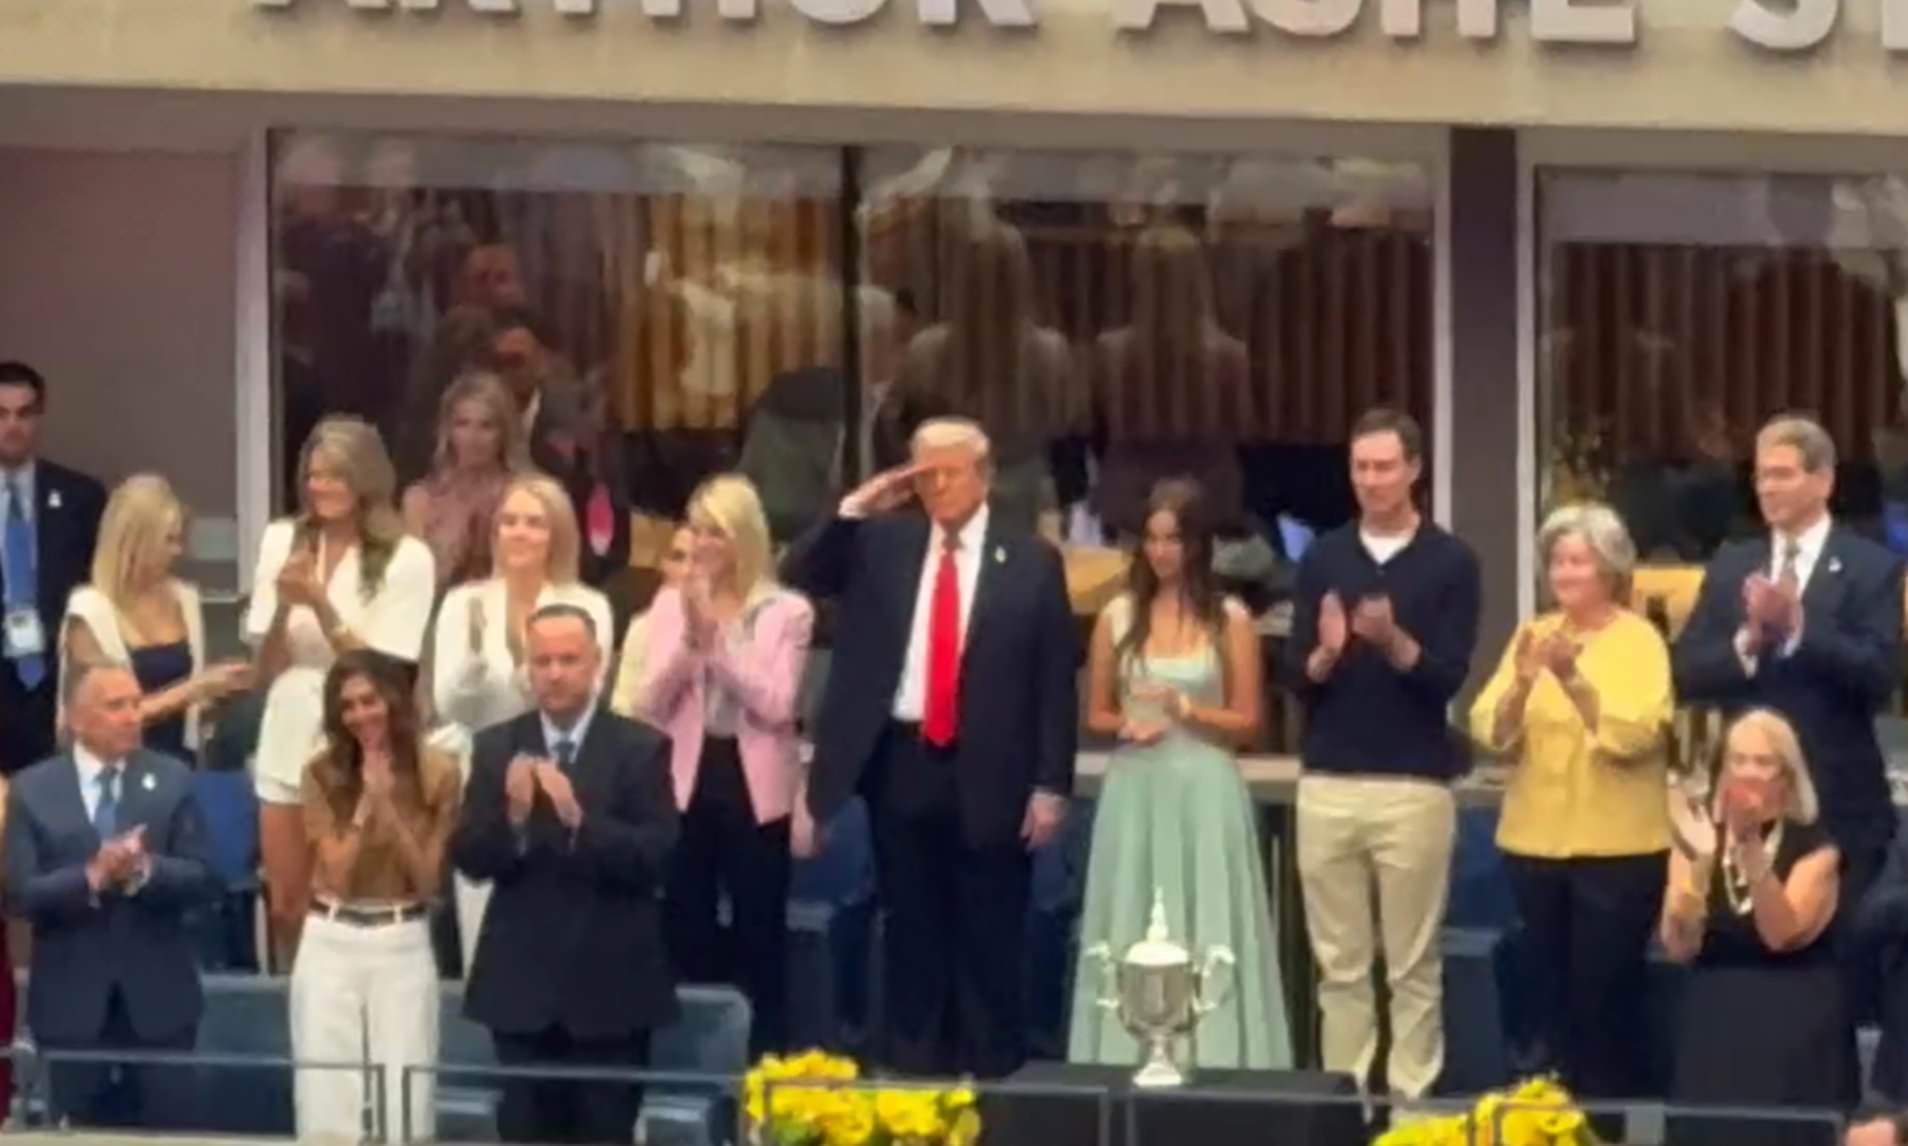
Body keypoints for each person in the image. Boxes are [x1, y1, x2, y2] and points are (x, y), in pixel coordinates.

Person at [782, 417, 1078, 1078]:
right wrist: (857, 508)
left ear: (986, 476)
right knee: (910, 926)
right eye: (926, 474)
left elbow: (1054, 682)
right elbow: (801, 570)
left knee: (989, 928)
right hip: (901, 757)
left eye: (950, 472)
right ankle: (915, 1077)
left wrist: (1050, 783)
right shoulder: (881, 544)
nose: (938, 486)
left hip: (992, 766)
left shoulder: (1030, 561)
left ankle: (992, 1075)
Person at [1282, 407, 1481, 1100]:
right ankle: (1346, 1102)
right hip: (1328, 781)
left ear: (1415, 471)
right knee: (1339, 967)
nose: (1371, 480)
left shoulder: (1451, 562)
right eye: (1361, 468)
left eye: (1384, 467)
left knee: (1412, 966)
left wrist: (1393, 641)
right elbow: (1294, 679)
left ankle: (1411, 1114)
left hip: (1412, 786)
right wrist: (1329, 652)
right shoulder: (1324, 556)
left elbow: (1448, 677)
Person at [1067, 478, 1290, 1069]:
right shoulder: (1117, 615)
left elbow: (1248, 722)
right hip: (1137, 787)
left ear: (1197, 545)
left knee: (1208, 924)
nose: (1162, 552)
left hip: (1205, 785)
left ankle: (1218, 1059)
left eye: (1174, 540)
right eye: (1152, 540)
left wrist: (1186, 709)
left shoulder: (1231, 619)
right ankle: (1123, 1058)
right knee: (1132, 917)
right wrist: (1127, 725)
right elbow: (1096, 712)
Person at [1673, 416, 1903, 979]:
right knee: (1742, 967)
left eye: (1781, 474)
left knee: (1840, 980)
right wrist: (1748, 643)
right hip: (1745, 811)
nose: (1767, 488)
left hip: (1838, 805)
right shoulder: (1732, 564)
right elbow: (1686, 670)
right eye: (1759, 476)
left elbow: (1880, 676)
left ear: (1823, 480)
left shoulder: (1872, 567)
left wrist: (1801, 629)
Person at [450, 604, 678, 1145]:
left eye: (569, 660)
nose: (554, 673)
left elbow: (656, 856)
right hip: (521, 993)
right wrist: (512, 819)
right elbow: (470, 859)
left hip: (611, 994)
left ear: (597, 662)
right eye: (543, 660)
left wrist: (580, 823)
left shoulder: (640, 749)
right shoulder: (495, 747)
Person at [1469, 503, 1672, 1112]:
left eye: (1578, 560)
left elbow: (1638, 735)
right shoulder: (1533, 632)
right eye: (1557, 560)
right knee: (1546, 1002)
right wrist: (1526, 681)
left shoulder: (1639, 640)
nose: (1564, 572)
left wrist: (1576, 681)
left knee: (1603, 1003)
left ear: (1609, 569)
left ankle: (1605, 1122)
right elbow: (1487, 727)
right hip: (1534, 844)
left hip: (1617, 851)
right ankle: (1547, 1119)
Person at [249, 417, 436, 967]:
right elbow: (263, 667)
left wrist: (322, 605)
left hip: (361, 724)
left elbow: (385, 672)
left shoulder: (407, 557)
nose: (321, 487)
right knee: (286, 901)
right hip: (288, 715)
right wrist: (287, 602)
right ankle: (293, 1013)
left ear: (367, 480)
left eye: (336, 476)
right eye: (314, 475)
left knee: (346, 890)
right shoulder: (283, 539)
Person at [638, 474, 813, 1056]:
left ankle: (765, 1064)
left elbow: (777, 704)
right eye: (698, 528)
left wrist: (719, 643)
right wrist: (691, 643)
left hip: (754, 785)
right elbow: (648, 702)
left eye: (717, 531)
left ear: (744, 538)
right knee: (684, 922)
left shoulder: (786, 611)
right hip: (687, 781)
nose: (705, 543)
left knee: (760, 929)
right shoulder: (669, 605)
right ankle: (695, 1057)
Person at [4, 662, 212, 1129]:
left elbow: (202, 877)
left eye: (136, 703)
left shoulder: (174, 778)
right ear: (77, 720)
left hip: (161, 1005)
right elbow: (20, 894)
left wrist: (143, 869)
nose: (132, 715)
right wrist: (92, 875)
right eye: (115, 706)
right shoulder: (33, 789)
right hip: (71, 1008)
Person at [433, 474, 613, 976]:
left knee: (561, 921)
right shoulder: (463, 603)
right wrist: (475, 658)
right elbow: (451, 706)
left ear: (556, 534)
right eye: (509, 521)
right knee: (483, 930)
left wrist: (517, 669)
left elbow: (583, 696)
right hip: (484, 775)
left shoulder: (588, 605)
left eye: (534, 523)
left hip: (567, 773)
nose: (519, 532)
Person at [1662, 709, 1855, 1146]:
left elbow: (1780, 933)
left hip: (1794, 1009)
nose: (1748, 771)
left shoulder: (1817, 848)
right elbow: (1679, 945)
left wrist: (1748, 845)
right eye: (1738, 759)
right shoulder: (1697, 835)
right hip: (1715, 1009)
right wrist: (1698, 867)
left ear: (1787, 775)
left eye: (1763, 762)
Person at [293, 651, 460, 1145]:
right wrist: (366, 802)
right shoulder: (320, 773)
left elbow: (428, 882)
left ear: (394, 700)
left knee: (405, 1099)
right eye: (347, 707)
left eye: (370, 701)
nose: (360, 715)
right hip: (331, 936)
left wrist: (390, 806)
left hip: (402, 938)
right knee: (326, 1098)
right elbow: (338, 874)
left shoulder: (440, 772)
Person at [62, 474, 253, 762]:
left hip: (179, 764)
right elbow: (95, 718)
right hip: (113, 767)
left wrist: (219, 689)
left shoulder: (185, 599)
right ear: (135, 542)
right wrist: (192, 690)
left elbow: (192, 710)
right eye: (169, 540)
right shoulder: (89, 611)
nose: (178, 551)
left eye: (180, 539)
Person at [0, 361, 107, 775]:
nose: (13, 426)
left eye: (24, 414)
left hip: (57, 683)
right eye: (2, 414)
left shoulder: (81, 497)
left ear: (39, 416)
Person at [402, 372, 529, 594]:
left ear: (504, 434)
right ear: (448, 431)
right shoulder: (420, 499)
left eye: (486, 426)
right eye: (463, 424)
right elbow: (410, 583)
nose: (473, 437)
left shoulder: (525, 496)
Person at [608, 525, 692, 719]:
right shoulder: (642, 627)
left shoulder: (729, 629)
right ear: (664, 565)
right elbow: (622, 706)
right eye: (678, 558)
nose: (687, 570)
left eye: (697, 559)